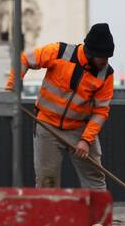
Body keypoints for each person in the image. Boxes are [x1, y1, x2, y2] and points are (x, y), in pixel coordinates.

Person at [8, 23, 115, 189]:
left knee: (95, 179)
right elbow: (25, 59)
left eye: (108, 57)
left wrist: (86, 140)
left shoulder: (106, 74)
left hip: (80, 129)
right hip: (47, 125)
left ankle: (97, 215)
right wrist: (12, 89)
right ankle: (48, 215)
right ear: (90, 52)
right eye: (103, 56)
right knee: (47, 182)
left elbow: (100, 111)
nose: (106, 61)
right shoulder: (59, 52)